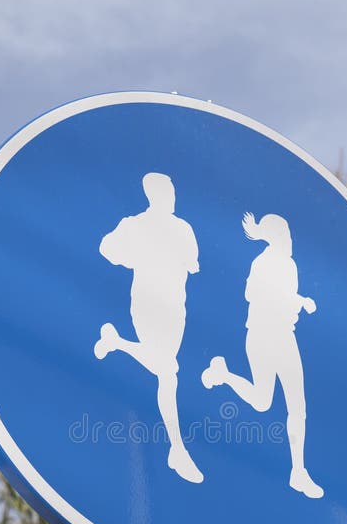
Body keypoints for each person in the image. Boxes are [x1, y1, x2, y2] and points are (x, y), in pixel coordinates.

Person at [202, 212, 323, 498]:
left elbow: (284, 300)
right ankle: (224, 375)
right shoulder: (264, 262)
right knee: (261, 401)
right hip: (261, 336)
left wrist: (297, 302)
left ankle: (298, 472)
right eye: (287, 234)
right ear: (277, 236)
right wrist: (297, 300)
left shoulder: (290, 265)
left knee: (298, 407)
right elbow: (253, 295)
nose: (291, 239)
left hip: (285, 337)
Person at [95, 172, 203, 483]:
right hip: (146, 303)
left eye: (172, 191)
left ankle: (116, 342)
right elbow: (106, 247)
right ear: (154, 195)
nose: (171, 196)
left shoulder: (183, 228)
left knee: (166, 370)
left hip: (176, 308)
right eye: (167, 191)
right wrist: (132, 256)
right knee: (168, 370)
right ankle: (177, 449)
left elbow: (193, 263)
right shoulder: (135, 224)